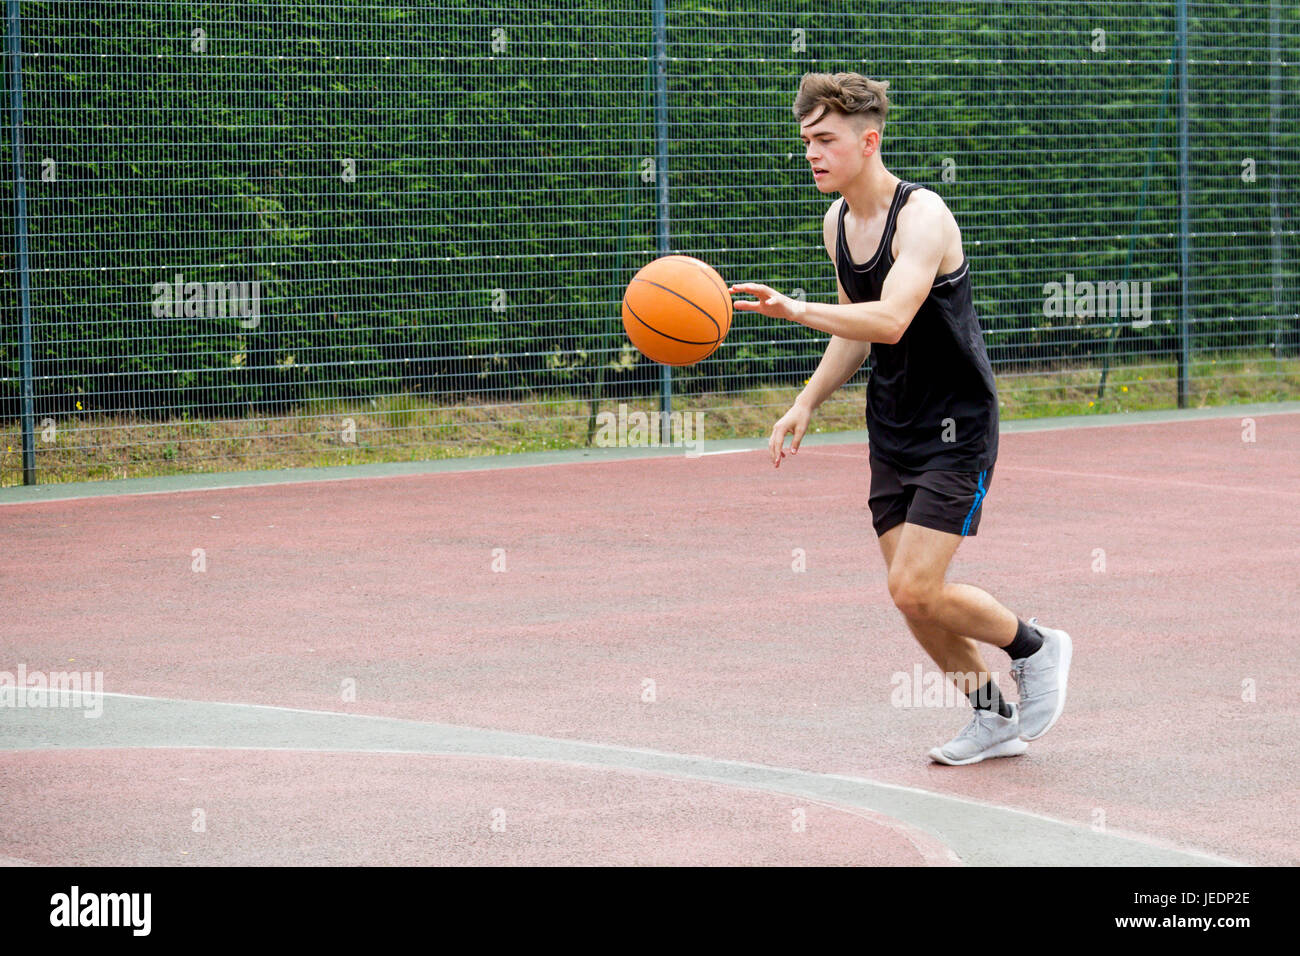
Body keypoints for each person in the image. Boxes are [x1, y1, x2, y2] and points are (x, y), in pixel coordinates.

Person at [729, 71, 1072, 765]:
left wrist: (792, 308)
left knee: (914, 584)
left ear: (869, 140)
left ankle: (1036, 647)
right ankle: (992, 718)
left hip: (956, 423)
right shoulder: (837, 223)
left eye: (825, 140)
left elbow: (889, 319)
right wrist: (806, 400)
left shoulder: (922, 216)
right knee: (912, 599)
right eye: (805, 142)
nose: (812, 154)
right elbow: (855, 330)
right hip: (893, 422)